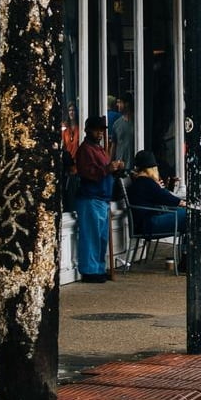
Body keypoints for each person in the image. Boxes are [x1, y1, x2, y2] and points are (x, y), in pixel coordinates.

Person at [72, 115, 119, 281]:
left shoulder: (99, 150)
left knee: (100, 236)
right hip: (91, 197)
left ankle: (98, 268)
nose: (99, 134)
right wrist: (107, 169)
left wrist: (114, 168)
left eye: (101, 131)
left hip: (101, 197)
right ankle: (90, 271)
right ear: (88, 131)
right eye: (96, 130)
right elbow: (88, 173)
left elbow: (103, 170)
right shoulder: (85, 150)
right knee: (91, 235)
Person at [126, 150, 186, 243]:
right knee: (188, 215)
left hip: (145, 223)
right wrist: (181, 202)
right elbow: (164, 197)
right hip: (148, 224)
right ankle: (186, 251)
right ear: (152, 169)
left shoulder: (141, 181)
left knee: (185, 214)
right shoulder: (146, 182)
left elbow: (159, 196)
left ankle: (186, 251)